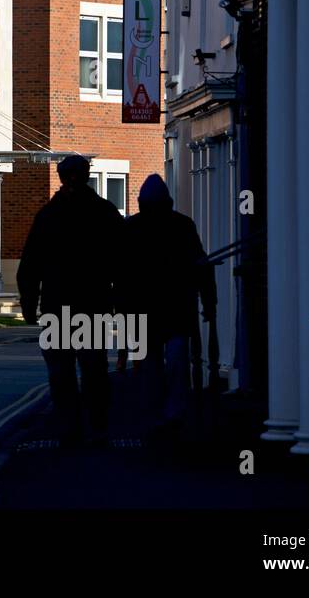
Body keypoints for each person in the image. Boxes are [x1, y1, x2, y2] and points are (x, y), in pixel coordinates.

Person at [17, 154, 124, 447]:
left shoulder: (48, 216)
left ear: (62, 178)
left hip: (57, 306)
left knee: (62, 372)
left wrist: (29, 301)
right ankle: (97, 427)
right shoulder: (104, 213)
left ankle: (70, 428)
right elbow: (122, 264)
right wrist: (121, 302)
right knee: (93, 370)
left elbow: (30, 263)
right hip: (92, 305)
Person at [120, 174, 216, 439]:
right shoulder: (183, 226)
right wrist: (209, 302)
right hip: (177, 308)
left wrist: (121, 309)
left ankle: (155, 413)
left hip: (147, 310)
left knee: (151, 366)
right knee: (176, 362)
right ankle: (173, 411)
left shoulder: (132, 228)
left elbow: (121, 274)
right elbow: (202, 266)